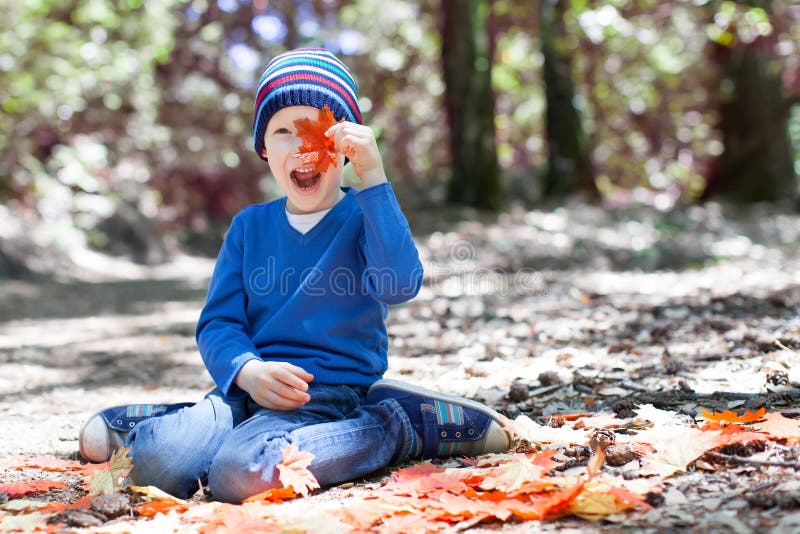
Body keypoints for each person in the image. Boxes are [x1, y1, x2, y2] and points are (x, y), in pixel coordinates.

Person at [79, 47, 513, 503]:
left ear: (344, 146)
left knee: (242, 475)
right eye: (283, 130)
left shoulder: (363, 218)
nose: (303, 145)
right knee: (157, 464)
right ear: (264, 148)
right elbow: (219, 323)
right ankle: (173, 422)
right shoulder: (249, 227)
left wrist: (375, 179)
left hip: (327, 394)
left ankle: (398, 425)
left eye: (319, 130)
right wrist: (247, 371)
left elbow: (399, 284)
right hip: (245, 388)